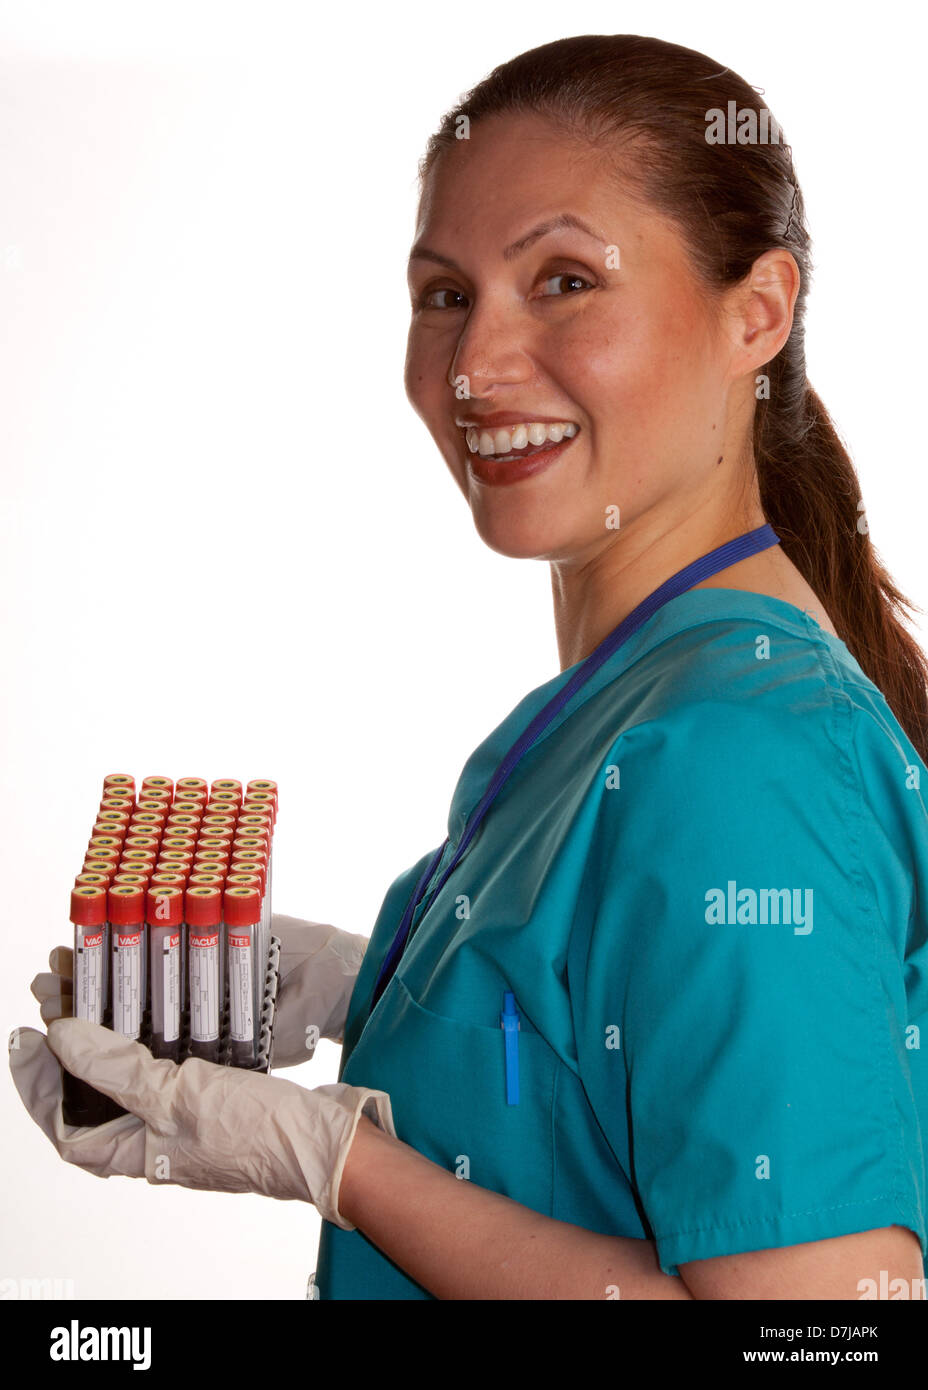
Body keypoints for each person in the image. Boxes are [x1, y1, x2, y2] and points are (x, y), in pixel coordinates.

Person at [11, 33, 928, 1300]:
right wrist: (361, 985)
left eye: (561, 281)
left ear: (755, 313)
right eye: (444, 293)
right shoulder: (610, 712)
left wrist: (340, 1164)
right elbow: (581, 1063)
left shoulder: (745, 755)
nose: (474, 367)